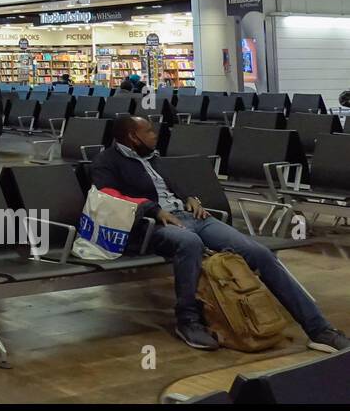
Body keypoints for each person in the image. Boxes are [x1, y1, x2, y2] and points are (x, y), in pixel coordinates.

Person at [91, 115, 348, 353]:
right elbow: (108, 198)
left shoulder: (153, 157)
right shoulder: (107, 161)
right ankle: (188, 320)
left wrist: (191, 198)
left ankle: (318, 329)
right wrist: (154, 210)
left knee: (259, 253)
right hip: (149, 227)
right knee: (189, 243)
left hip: (191, 217)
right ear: (133, 137)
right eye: (148, 131)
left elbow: (170, 187)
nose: (155, 133)